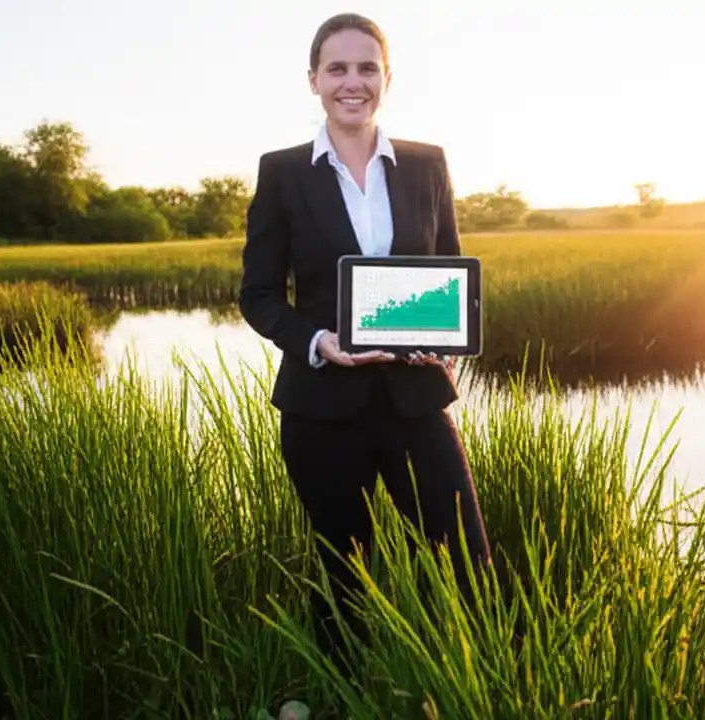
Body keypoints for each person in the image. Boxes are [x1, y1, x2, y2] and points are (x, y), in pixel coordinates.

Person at [238, 12, 492, 657]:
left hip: (415, 399)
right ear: (314, 80)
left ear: (387, 77)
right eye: (338, 69)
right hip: (321, 409)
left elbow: (450, 271)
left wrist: (449, 344)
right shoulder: (282, 171)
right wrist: (318, 342)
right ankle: (344, 692)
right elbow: (259, 296)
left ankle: (475, 681)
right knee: (342, 577)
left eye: (367, 68)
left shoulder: (426, 164)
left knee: (468, 564)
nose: (353, 82)